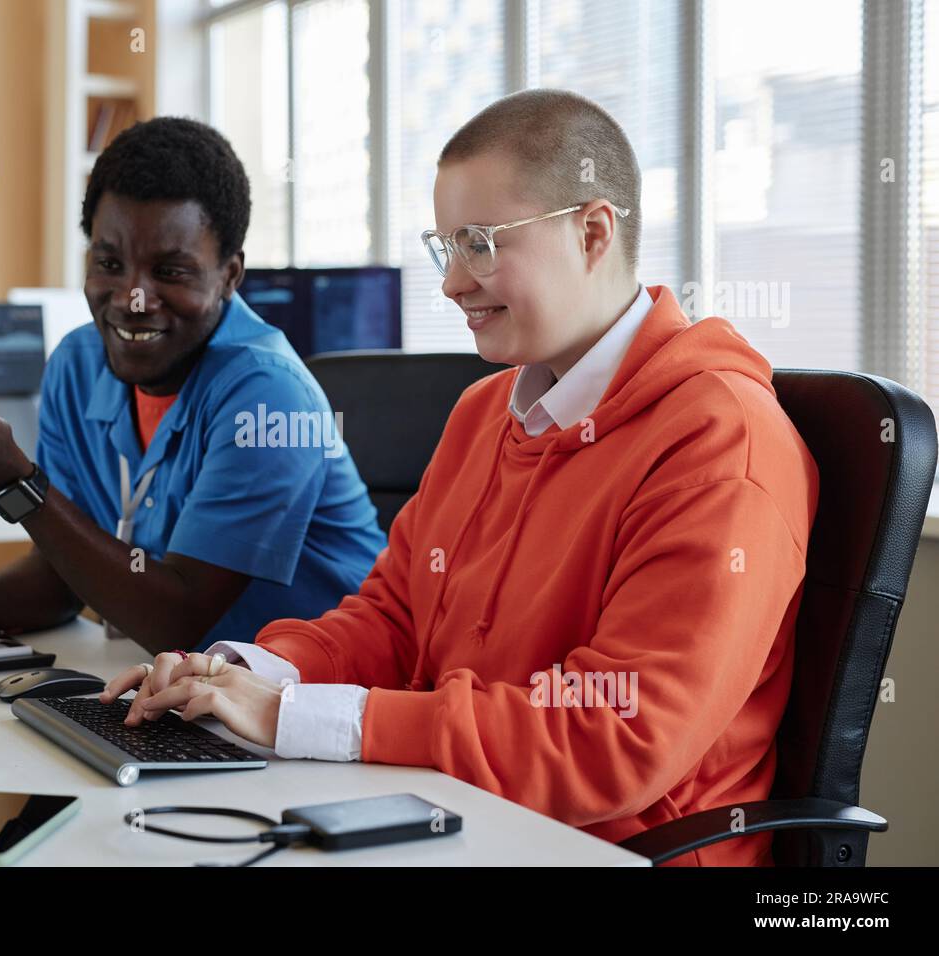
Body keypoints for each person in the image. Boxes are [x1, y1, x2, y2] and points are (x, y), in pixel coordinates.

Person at [102, 90, 819, 867]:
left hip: (606, 848)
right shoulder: (486, 413)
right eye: (446, 248)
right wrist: (242, 676)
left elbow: (616, 738)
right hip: (455, 815)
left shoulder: (720, 442)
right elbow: (395, 620)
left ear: (592, 233)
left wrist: (300, 717)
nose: (451, 283)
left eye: (481, 243)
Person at [0, 117, 386, 655]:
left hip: (319, 705)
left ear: (230, 275)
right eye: (109, 263)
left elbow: (178, 620)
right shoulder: (79, 364)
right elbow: (63, 580)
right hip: (198, 694)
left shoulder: (269, 395)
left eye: (170, 271)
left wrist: (14, 481)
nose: (132, 298)